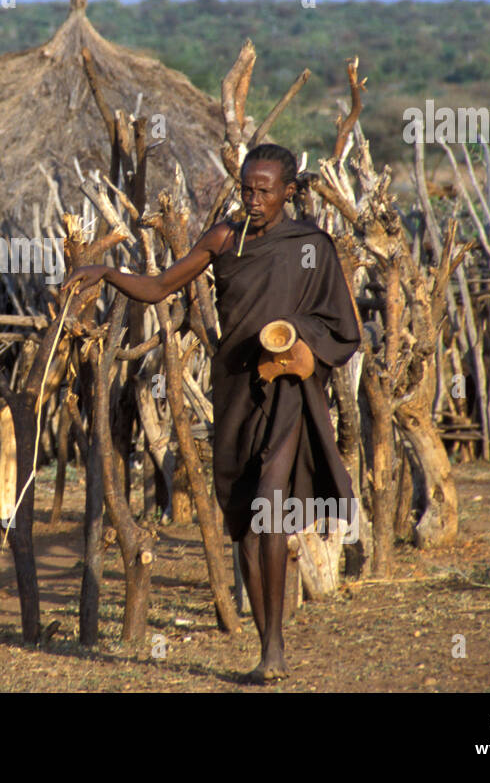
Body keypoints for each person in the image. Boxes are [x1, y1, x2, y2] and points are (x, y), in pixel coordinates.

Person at [61, 143, 360, 683]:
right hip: (237, 391)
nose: (251, 199)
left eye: (263, 191)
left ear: (288, 192)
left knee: (272, 506)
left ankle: (274, 649)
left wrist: (299, 346)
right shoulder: (225, 238)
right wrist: (106, 272)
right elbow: (158, 287)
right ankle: (266, 639)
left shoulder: (312, 247)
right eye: (245, 188)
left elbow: (343, 328)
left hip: (290, 391)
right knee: (245, 521)